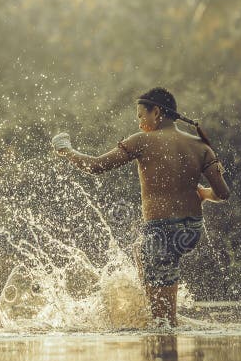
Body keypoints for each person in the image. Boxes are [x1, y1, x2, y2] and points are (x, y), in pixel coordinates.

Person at [52, 87, 230, 327]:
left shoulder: (143, 141)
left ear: (156, 112)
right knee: (140, 251)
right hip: (190, 232)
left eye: (140, 116)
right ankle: (164, 315)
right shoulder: (201, 146)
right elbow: (222, 193)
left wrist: (67, 151)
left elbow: (95, 166)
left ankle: (165, 339)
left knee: (162, 322)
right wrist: (203, 193)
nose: (138, 123)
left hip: (162, 232)